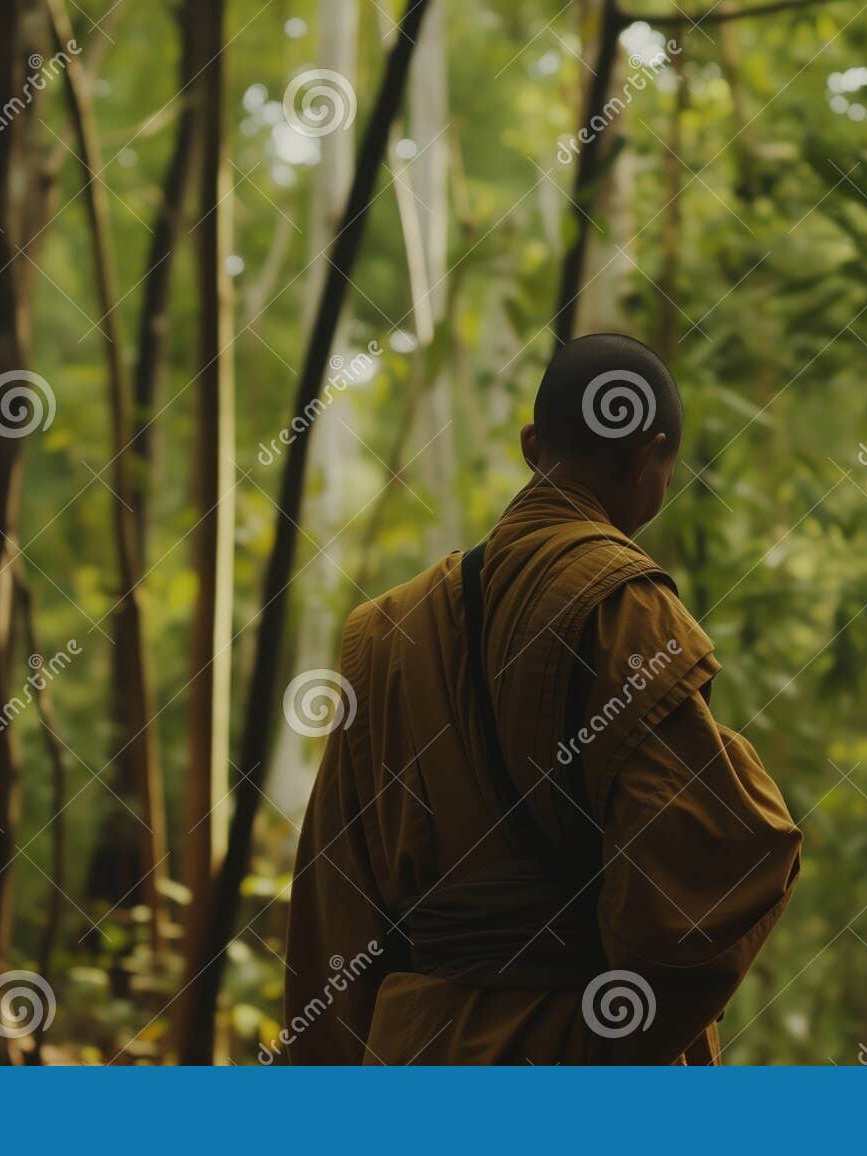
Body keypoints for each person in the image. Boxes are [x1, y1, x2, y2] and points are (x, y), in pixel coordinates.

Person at [283, 333, 801, 1064]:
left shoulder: (383, 633)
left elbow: (333, 905)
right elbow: (714, 867)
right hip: (567, 1044)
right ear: (648, 456)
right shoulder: (626, 610)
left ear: (532, 445)